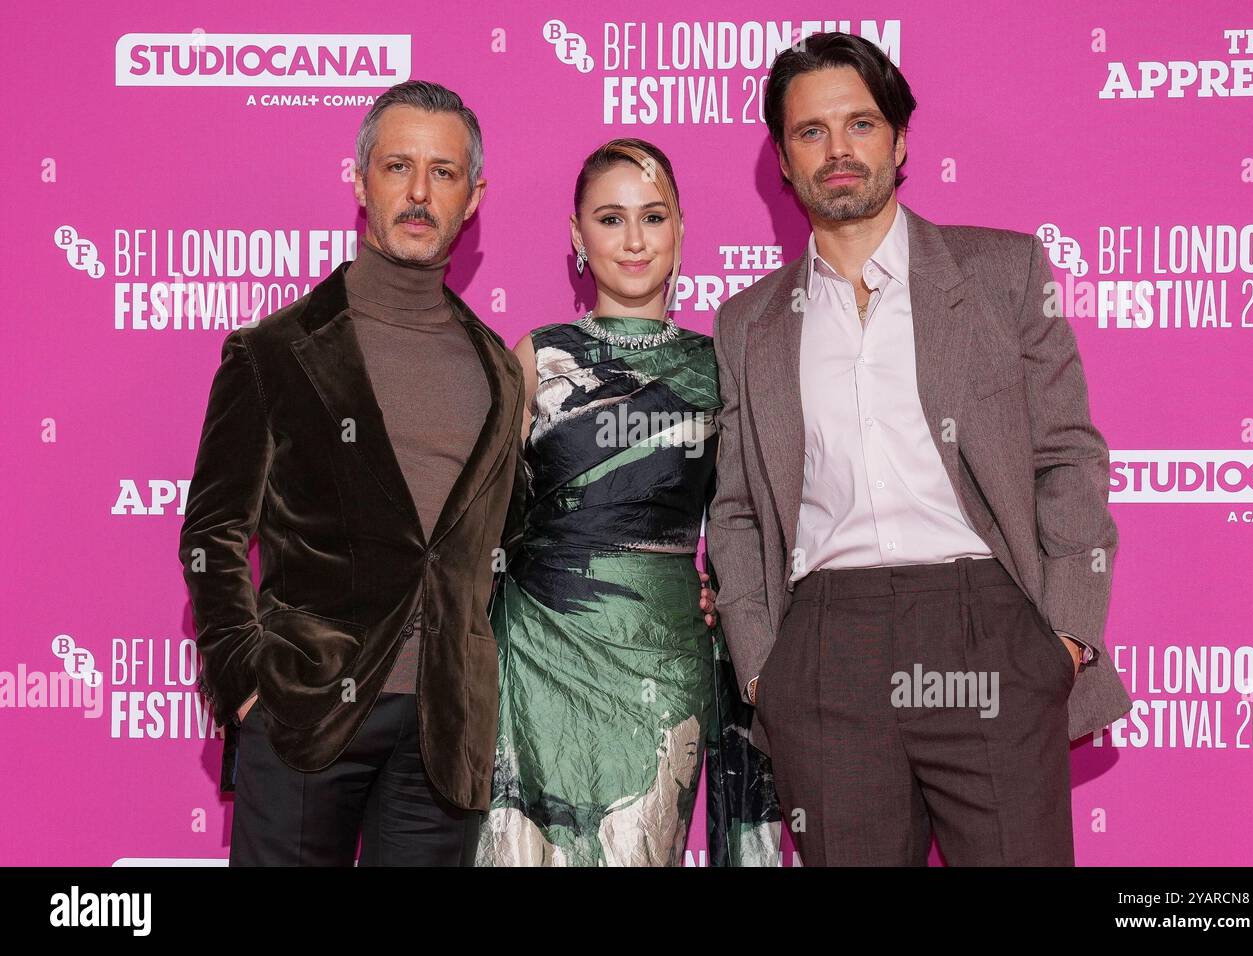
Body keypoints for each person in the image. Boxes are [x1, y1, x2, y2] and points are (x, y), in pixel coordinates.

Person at [707, 33, 1133, 866]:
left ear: (900, 141)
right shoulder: (747, 323)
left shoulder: (1003, 272)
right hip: (825, 644)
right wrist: (765, 670)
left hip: (988, 627)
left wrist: (1065, 641)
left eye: (860, 124)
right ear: (784, 161)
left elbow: (1066, 457)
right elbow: (735, 510)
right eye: (810, 131)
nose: (838, 150)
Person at [178, 80, 525, 865]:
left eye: (443, 172)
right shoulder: (273, 352)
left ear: (473, 197)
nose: (418, 191)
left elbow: (509, 536)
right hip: (305, 716)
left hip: (442, 733)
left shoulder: (498, 370)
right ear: (361, 179)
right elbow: (212, 531)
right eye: (397, 165)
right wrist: (246, 684)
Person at [474, 139, 782, 866]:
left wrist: (726, 591)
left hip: (662, 654)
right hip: (536, 649)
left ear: (682, 228)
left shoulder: (719, 366)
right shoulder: (537, 357)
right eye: (610, 220)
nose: (635, 240)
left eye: (653, 217)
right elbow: (485, 517)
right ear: (578, 236)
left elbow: (751, 516)